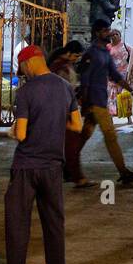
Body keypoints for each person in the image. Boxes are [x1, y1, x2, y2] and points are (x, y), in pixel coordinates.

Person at [0, 45, 82, 264]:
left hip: (26, 167)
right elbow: (76, 125)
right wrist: (52, 121)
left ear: (29, 62)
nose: (23, 72)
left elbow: (21, 133)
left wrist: (12, 132)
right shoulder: (65, 87)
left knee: (18, 225)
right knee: (54, 225)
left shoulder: (26, 92)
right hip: (53, 167)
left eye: (22, 67)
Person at [76, 23, 133, 186]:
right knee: (110, 135)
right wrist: (85, 102)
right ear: (98, 32)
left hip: (99, 100)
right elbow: (84, 79)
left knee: (84, 136)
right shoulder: (91, 53)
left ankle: (66, 164)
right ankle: (123, 171)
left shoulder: (104, 52)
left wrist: (132, 91)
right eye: (106, 30)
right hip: (94, 101)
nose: (110, 32)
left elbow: (115, 75)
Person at [48, 40, 87, 187]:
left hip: (62, 109)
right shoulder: (60, 67)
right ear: (69, 53)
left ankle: (68, 173)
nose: (76, 59)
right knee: (72, 145)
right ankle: (77, 177)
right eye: (76, 56)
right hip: (63, 110)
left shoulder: (61, 64)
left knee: (66, 145)